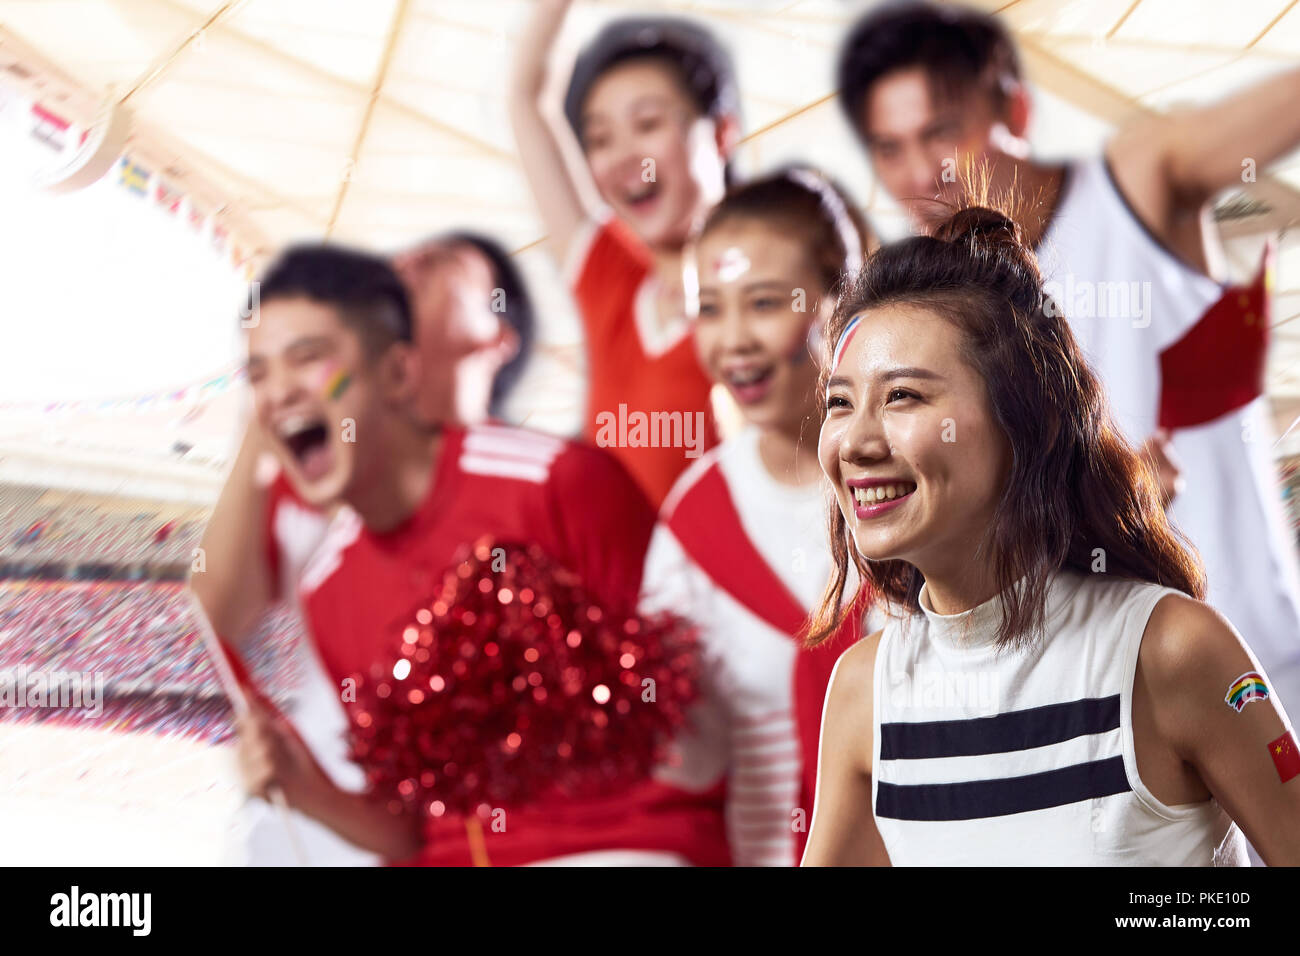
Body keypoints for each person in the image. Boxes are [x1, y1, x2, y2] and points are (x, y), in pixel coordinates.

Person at [834, 1, 1300, 749]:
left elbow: (1266, 115)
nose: (921, 173)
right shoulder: (943, 321)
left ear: (1014, 106)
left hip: (1257, 669)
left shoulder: (1134, 187)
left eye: (940, 133)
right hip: (1101, 714)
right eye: (889, 148)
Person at [801, 205, 1300, 866]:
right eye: (840, 401)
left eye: (903, 397)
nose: (857, 443)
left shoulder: (1170, 650)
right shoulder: (866, 690)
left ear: (1025, 422)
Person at [221, 243, 730, 866]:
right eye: (257, 375)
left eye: (308, 359)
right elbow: (409, 829)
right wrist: (309, 791)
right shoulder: (328, 587)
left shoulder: (558, 483)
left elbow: (698, 734)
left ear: (399, 373)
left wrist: (556, 654)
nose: (276, 395)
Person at [195, 231, 534, 866]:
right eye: (403, 260)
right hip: (285, 842)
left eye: (436, 266)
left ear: (494, 340)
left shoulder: (531, 499)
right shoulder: (313, 471)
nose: (405, 263)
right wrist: (265, 416)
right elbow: (215, 619)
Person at [641, 168, 878, 865]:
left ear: (842, 304)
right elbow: (691, 761)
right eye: (709, 309)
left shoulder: (921, 485)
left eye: (765, 302)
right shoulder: (695, 521)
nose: (733, 339)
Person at [509, 0, 739, 507]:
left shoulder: (778, 295)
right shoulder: (608, 278)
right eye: (600, 138)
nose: (624, 156)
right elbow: (527, 98)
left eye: (648, 123)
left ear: (723, 133)